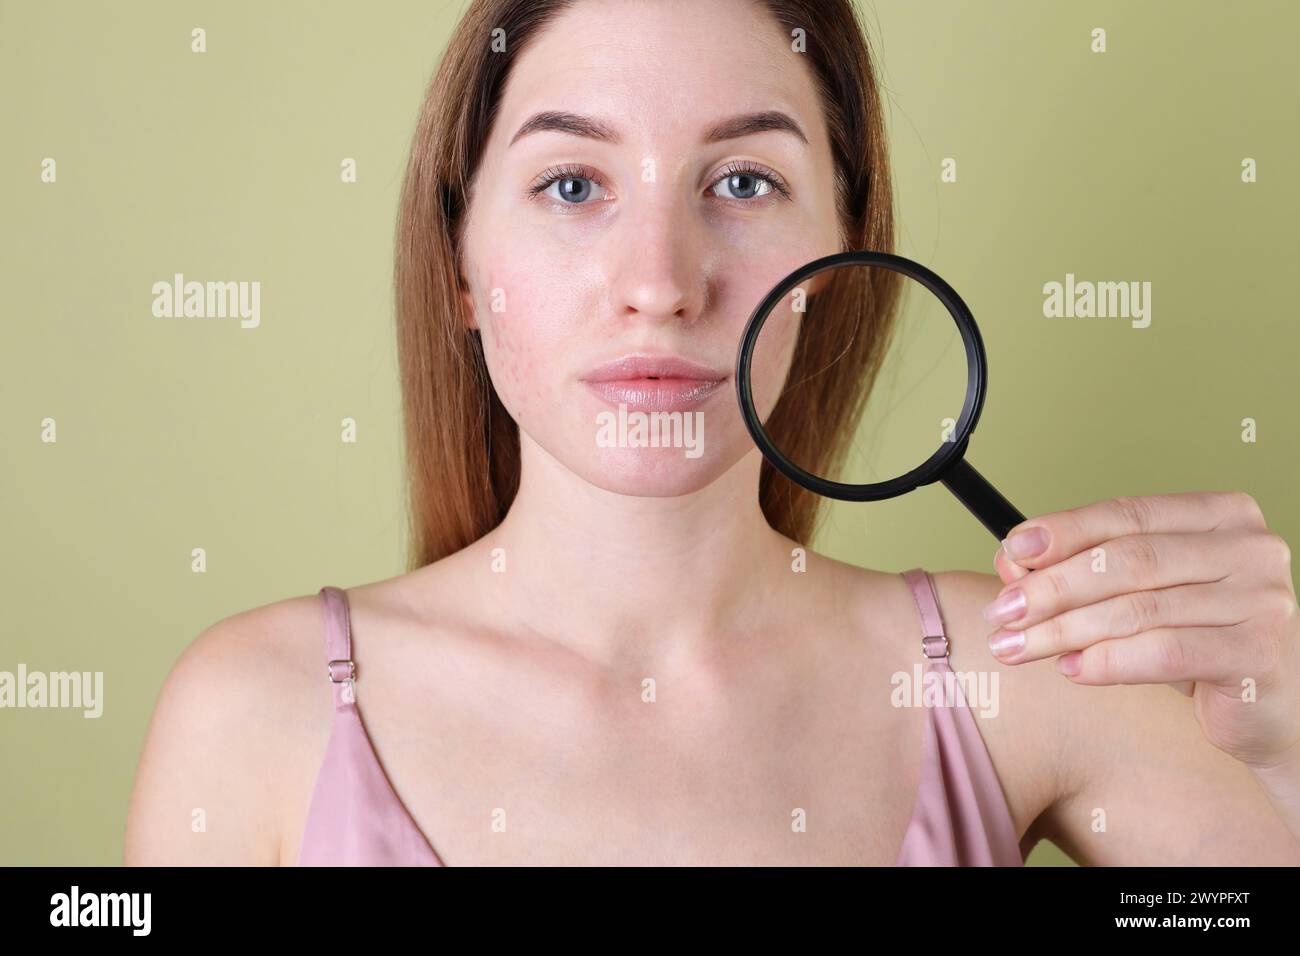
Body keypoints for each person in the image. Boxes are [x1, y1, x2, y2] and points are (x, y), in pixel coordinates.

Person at [124, 0, 1300, 866]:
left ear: (840, 256)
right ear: (458, 270)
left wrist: (1287, 760)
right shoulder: (254, 710)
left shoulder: (1030, 671)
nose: (661, 283)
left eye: (742, 183)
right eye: (572, 185)